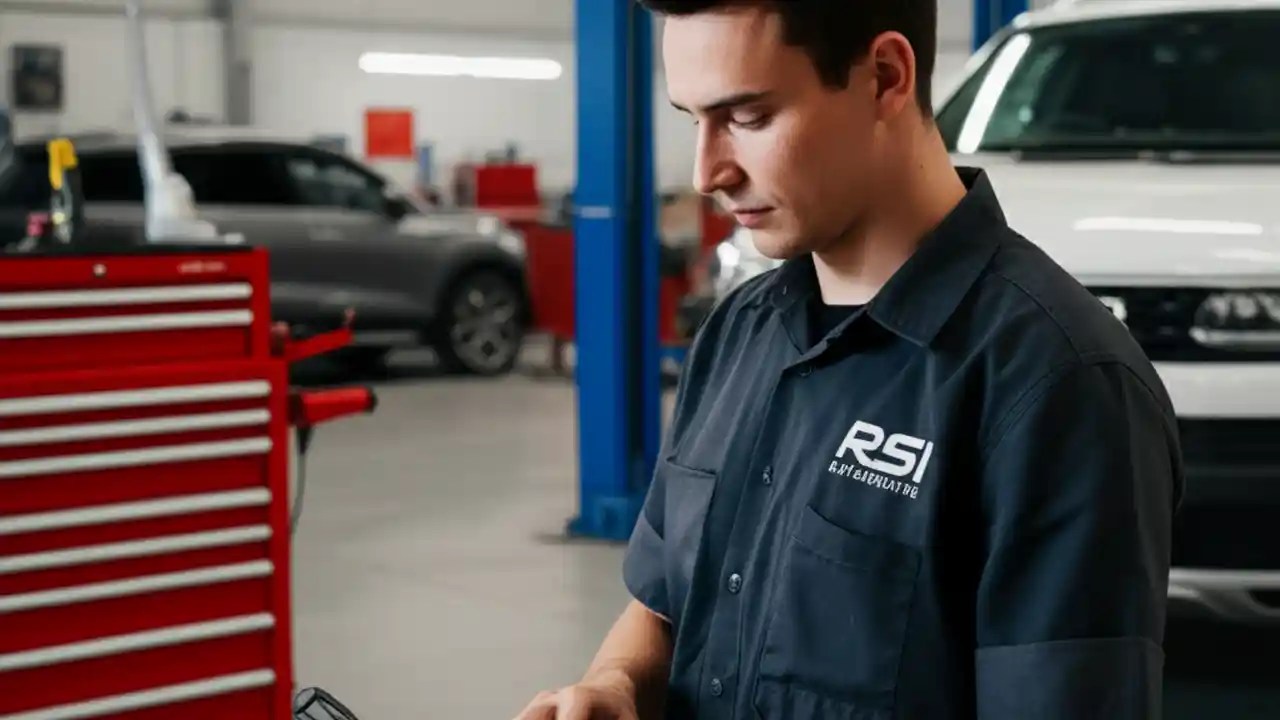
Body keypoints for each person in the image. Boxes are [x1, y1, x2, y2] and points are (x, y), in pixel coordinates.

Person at [515, 1, 1183, 718]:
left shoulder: (1057, 385)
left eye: (748, 117)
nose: (708, 172)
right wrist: (616, 684)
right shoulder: (738, 332)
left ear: (886, 77)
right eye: (693, 120)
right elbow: (665, 604)